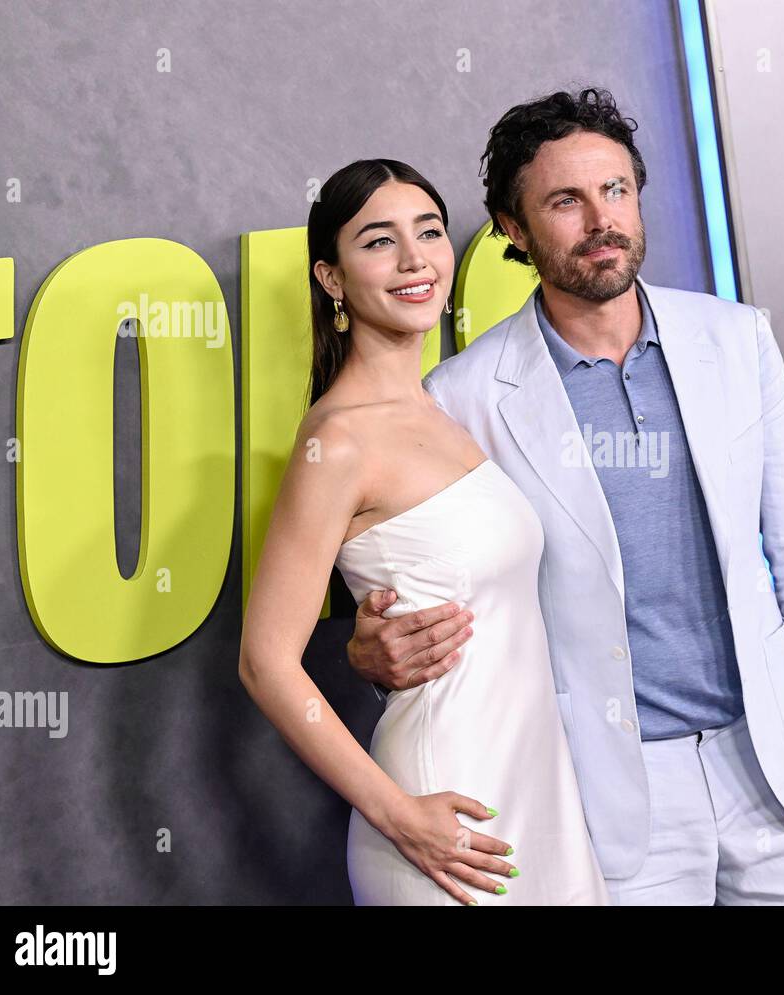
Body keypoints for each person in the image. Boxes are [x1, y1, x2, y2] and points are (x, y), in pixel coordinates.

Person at [345, 89, 784, 905]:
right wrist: (373, 655)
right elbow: (442, 590)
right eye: (566, 201)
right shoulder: (461, 398)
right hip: (607, 789)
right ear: (513, 230)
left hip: (778, 768)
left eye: (617, 190)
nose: (602, 220)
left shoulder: (737, 340)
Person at [238, 158, 610, 906]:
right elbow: (264, 662)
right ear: (332, 279)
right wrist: (398, 815)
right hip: (444, 810)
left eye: (430, 232)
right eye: (378, 241)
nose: (415, 260)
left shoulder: (447, 409)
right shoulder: (337, 441)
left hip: (540, 799)